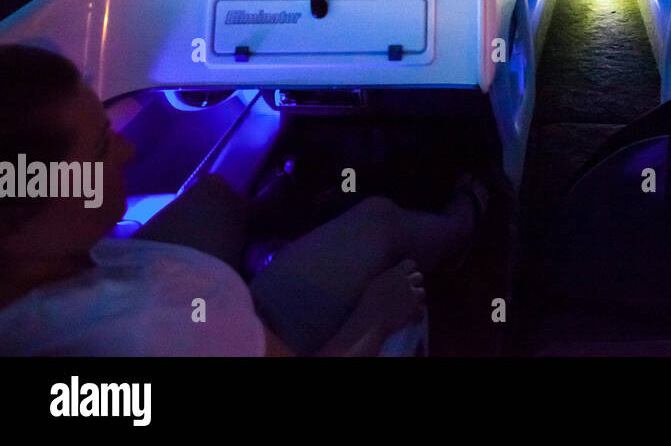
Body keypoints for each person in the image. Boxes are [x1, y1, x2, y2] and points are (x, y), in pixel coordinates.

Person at [0, 44, 488, 356]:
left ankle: (279, 226)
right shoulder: (144, 336)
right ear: (34, 196)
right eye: (103, 145)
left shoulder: (34, 265)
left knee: (213, 196)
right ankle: (464, 224)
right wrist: (375, 319)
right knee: (377, 220)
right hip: (255, 327)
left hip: (141, 278)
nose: (128, 148)